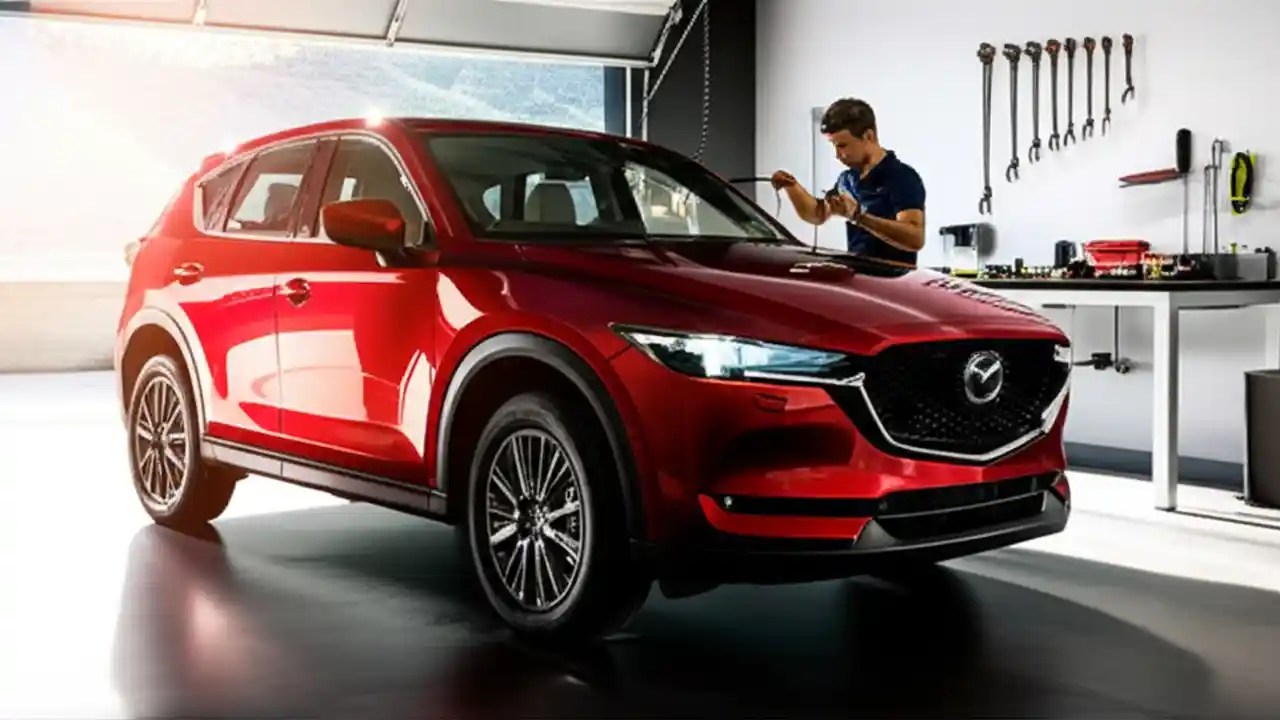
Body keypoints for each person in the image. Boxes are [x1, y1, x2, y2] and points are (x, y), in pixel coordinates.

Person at [772, 98, 926, 267]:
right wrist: (791, 186)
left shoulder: (902, 176)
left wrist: (858, 217)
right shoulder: (848, 179)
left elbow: (915, 238)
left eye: (843, 145)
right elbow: (818, 213)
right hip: (859, 277)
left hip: (893, 283)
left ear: (868, 136)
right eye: (834, 146)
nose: (837, 155)